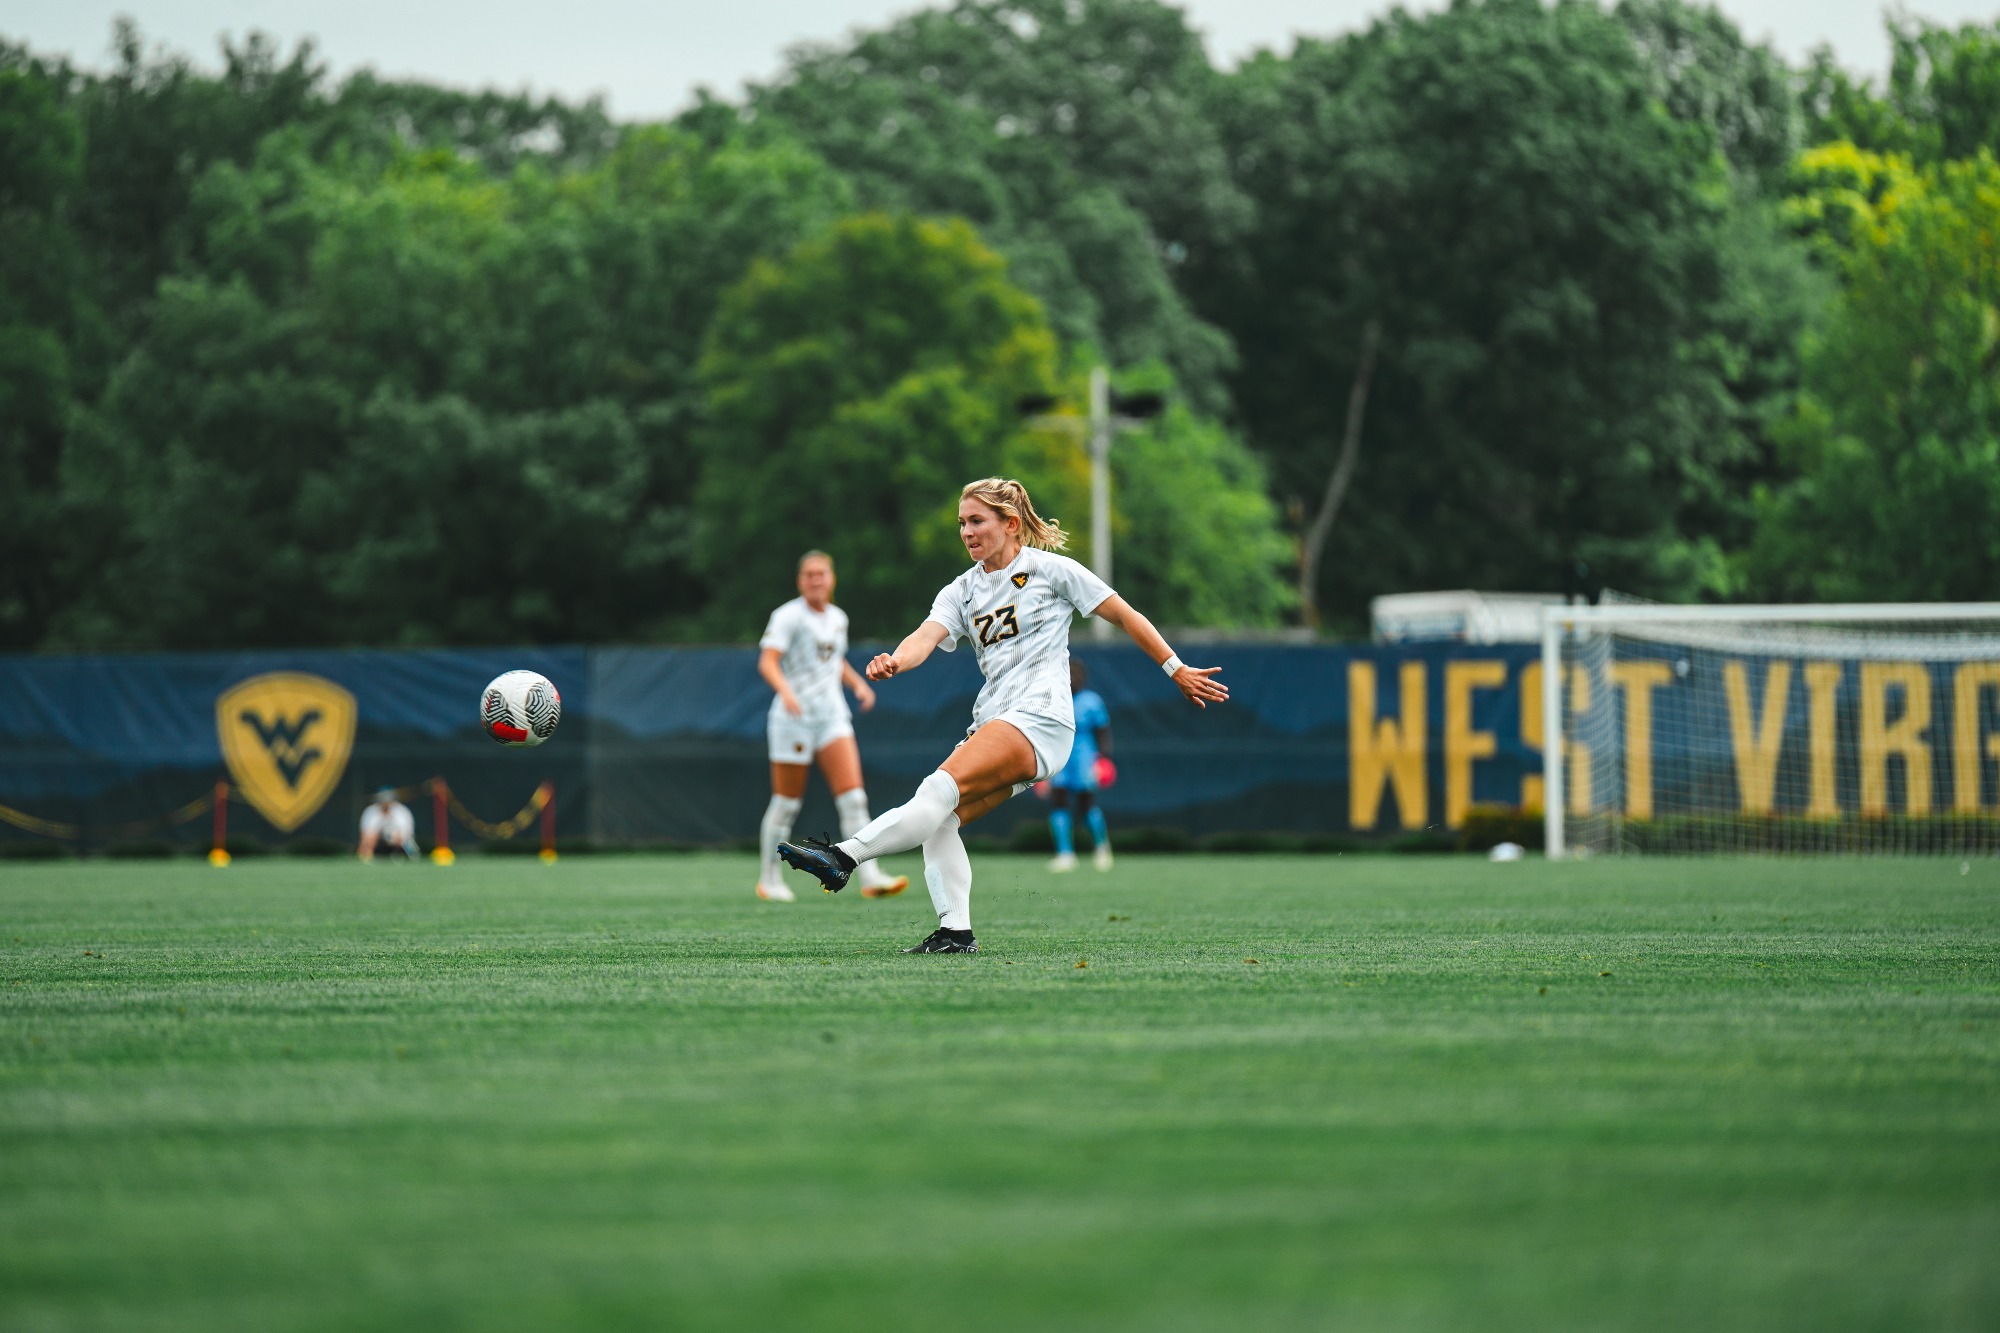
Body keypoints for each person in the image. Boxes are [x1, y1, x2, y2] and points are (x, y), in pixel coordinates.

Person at [779, 478, 1227, 952]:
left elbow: (1124, 615)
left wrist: (1175, 668)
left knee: (935, 791)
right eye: (961, 523)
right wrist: (896, 659)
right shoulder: (961, 590)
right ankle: (955, 933)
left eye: (977, 521)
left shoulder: (1051, 570)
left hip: (1040, 716)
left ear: (1010, 524)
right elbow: (924, 637)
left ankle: (843, 857)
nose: (967, 532)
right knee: (941, 819)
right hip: (1000, 720)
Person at [754, 550, 910, 903]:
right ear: (800, 580)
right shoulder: (788, 616)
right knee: (786, 803)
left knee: (854, 798)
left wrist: (857, 684)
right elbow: (768, 661)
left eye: (821, 574)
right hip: (793, 719)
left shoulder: (838, 617)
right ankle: (769, 878)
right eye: (809, 574)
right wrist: (786, 692)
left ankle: (869, 875)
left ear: (831, 578)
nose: (816, 580)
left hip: (832, 716)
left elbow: (832, 659)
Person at [1047, 659, 1114, 873]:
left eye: (1075, 675)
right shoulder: (1052, 699)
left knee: (1087, 804)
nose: (1070, 679)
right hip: (1059, 758)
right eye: (1067, 674)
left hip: (1084, 757)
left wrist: (1103, 759)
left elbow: (1102, 732)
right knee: (1059, 801)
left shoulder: (1092, 701)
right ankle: (1065, 854)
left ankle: (1102, 849)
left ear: (1082, 678)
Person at [358, 788, 418, 861]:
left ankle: (402, 855)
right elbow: (366, 836)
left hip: (398, 842)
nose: (386, 804)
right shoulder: (371, 811)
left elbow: (407, 835)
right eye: (383, 801)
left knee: (404, 842)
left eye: (388, 801)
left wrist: (395, 838)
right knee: (370, 840)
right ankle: (367, 857)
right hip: (379, 843)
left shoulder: (401, 812)